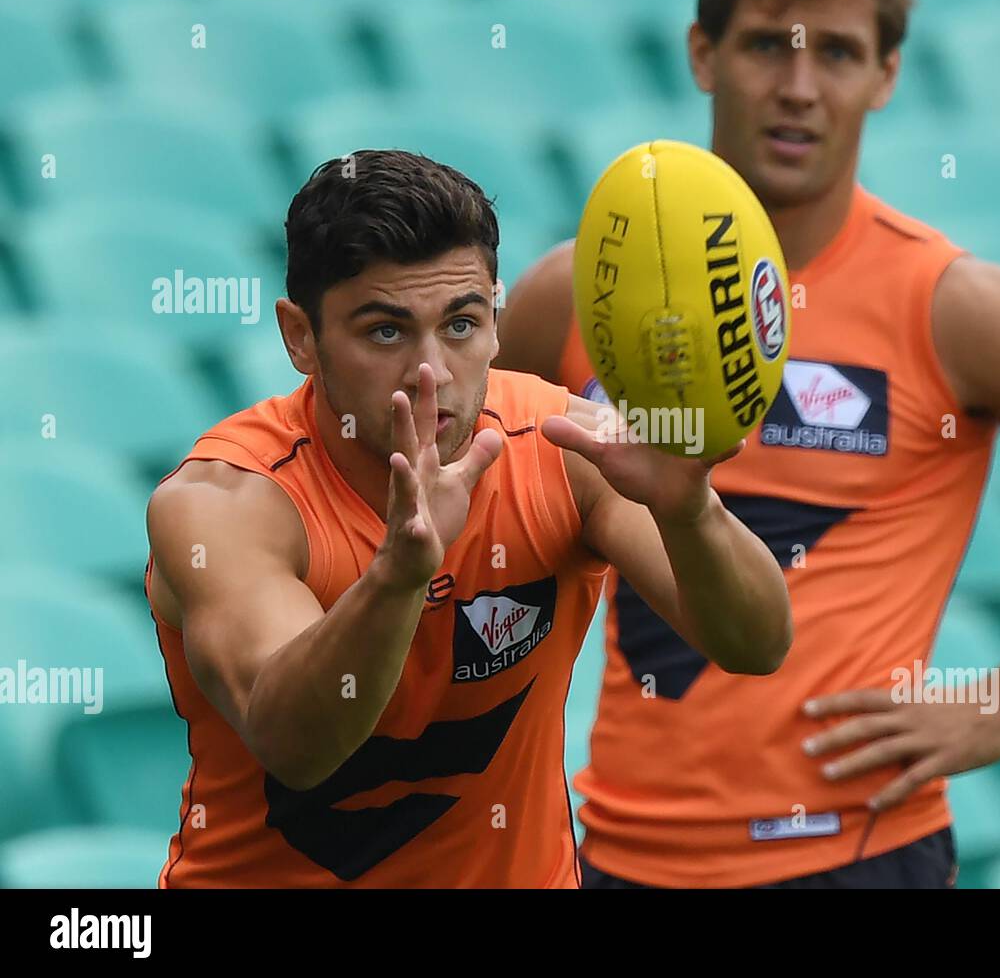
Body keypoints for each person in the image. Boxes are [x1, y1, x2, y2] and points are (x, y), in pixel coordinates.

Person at [495, 0, 1000, 889]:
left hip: (854, 855)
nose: (800, 87)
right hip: (616, 852)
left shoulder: (955, 308)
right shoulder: (573, 296)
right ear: (705, 54)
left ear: (888, 76)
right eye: (768, 44)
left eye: (841, 53)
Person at [143, 149, 793, 888]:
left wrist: (691, 512)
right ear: (300, 336)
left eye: (460, 323)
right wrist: (398, 574)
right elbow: (295, 743)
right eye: (386, 331)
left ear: (496, 318)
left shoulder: (560, 445)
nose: (433, 372)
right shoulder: (223, 505)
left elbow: (757, 644)